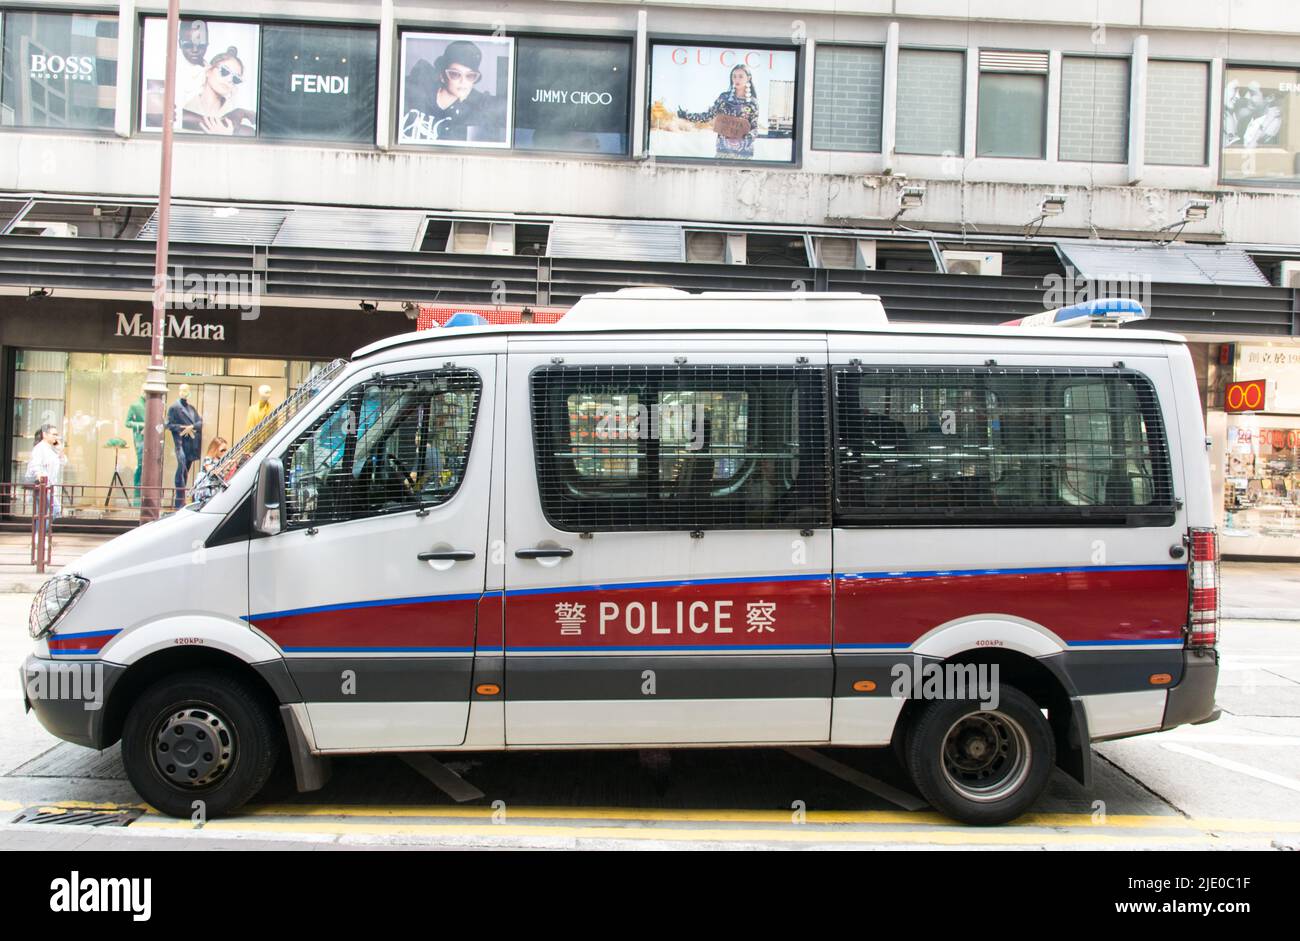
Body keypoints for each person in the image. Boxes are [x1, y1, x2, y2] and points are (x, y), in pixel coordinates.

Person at [400, 39, 507, 143]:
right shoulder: (415, 90)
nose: (463, 81)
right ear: (442, 76)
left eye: (470, 76)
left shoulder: (477, 107)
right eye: (455, 74)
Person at [676, 64, 760, 159]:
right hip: (723, 151)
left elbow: (755, 128)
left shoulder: (753, 103)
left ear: (748, 78)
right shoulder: (724, 98)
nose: (737, 79)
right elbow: (708, 116)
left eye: (741, 76)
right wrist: (686, 115)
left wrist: (745, 138)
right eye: (734, 76)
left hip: (744, 154)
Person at [181, 47, 256, 136]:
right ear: (208, 71)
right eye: (225, 71)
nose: (229, 80)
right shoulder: (183, 106)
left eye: (236, 79)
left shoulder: (242, 122)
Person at [166, 385, 203, 508]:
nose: (183, 392)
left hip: (191, 445)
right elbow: (169, 425)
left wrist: (191, 427)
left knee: (185, 471)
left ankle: (181, 501)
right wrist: (183, 428)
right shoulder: (174, 408)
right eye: (181, 390)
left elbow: (200, 422)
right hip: (180, 443)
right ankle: (179, 501)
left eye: (186, 390)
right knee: (181, 470)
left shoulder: (191, 408)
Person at [25, 424, 68, 519]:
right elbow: (35, 465)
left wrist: (60, 449)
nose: (56, 437)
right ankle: (39, 533)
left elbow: (63, 462)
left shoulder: (52, 448)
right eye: (54, 434)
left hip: (49, 486)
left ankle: (38, 533)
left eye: (56, 435)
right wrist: (40, 477)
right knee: (56, 510)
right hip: (42, 486)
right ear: (45, 434)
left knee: (41, 513)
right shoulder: (39, 448)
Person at [125, 386, 146, 506]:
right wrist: (141, 425)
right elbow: (127, 422)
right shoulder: (135, 405)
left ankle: (147, 496)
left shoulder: (155, 404)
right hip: (140, 438)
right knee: (140, 464)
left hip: (152, 439)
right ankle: (137, 497)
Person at [191, 437, 229, 504]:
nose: (224, 452)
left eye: (226, 450)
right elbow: (213, 471)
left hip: (216, 492)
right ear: (215, 449)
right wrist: (226, 465)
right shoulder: (208, 459)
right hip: (206, 493)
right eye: (222, 450)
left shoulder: (221, 460)